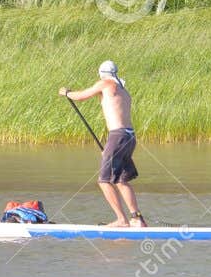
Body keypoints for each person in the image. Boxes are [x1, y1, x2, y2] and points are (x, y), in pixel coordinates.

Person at [59, 61, 146, 227]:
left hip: (118, 136)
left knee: (104, 180)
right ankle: (137, 219)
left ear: (102, 73)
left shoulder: (106, 83)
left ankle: (122, 220)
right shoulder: (123, 89)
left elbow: (81, 96)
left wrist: (67, 93)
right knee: (121, 180)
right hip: (129, 136)